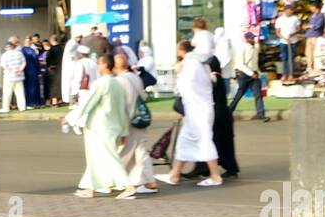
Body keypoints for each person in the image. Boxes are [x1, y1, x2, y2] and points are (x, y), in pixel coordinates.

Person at [157, 41, 222, 187]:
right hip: (198, 109)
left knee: (204, 140)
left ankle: (215, 176)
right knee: (185, 140)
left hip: (198, 109)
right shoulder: (202, 63)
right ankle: (174, 174)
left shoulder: (191, 64)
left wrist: (180, 73)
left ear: (181, 51)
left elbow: (187, 85)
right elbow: (211, 80)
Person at [73, 53, 136, 200]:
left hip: (99, 127)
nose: (97, 66)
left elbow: (88, 103)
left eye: (99, 63)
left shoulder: (101, 83)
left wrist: (70, 118)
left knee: (109, 158)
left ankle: (128, 186)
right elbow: (121, 110)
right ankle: (91, 188)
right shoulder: (116, 84)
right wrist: (123, 131)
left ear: (105, 65)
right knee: (96, 158)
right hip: (111, 127)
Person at [113, 52, 156, 193]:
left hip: (129, 120)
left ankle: (119, 180)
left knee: (123, 152)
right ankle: (149, 180)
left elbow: (120, 104)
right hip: (140, 117)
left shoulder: (119, 81)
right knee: (140, 150)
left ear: (115, 67)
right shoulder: (135, 78)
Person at [229, 32, 267, 121]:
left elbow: (255, 63)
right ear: (246, 39)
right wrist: (251, 74)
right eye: (251, 38)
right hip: (244, 74)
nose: (253, 40)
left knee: (258, 94)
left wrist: (257, 73)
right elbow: (240, 64)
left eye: (253, 38)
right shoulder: (242, 48)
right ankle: (229, 112)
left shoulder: (254, 48)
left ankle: (261, 114)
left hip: (253, 74)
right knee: (239, 94)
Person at [0, 39, 27, 113]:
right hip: (19, 76)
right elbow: (24, 63)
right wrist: (19, 70)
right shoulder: (19, 53)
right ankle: (22, 107)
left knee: (7, 93)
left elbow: (4, 66)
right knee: (20, 93)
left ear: (6, 48)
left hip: (9, 77)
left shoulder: (4, 55)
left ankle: (6, 108)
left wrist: (11, 70)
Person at [274, 4, 301, 81]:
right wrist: (284, 38)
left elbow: (299, 29)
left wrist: (292, 34)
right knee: (284, 58)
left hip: (293, 41)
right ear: (285, 10)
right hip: (283, 42)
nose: (290, 12)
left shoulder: (295, 18)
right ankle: (284, 74)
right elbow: (278, 32)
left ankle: (291, 74)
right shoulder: (279, 19)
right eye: (289, 10)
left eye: (292, 11)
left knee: (291, 58)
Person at [303, 8, 325, 77]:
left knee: (316, 53)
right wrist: (306, 27)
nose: (311, 9)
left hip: (316, 36)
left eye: (312, 7)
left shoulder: (321, 16)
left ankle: (316, 68)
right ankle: (309, 67)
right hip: (309, 36)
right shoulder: (312, 16)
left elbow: (318, 26)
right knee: (308, 53)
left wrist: (309, 26)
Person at [20, 36, 41, 109]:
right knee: (33, 87)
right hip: (32, 70)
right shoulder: (32, 50)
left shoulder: (21, 50)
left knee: (27, 87)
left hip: (25, 70)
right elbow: (36, 60)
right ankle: (33, 103)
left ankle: (29, 103)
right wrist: (39, 71)